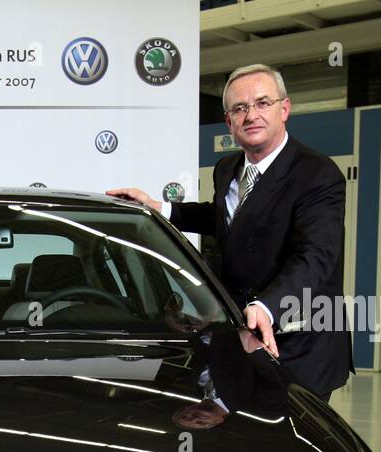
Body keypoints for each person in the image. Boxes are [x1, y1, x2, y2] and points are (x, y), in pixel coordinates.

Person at [109, 63, 352, 401]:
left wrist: (267, 307)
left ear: (284, 108)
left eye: (262, 103)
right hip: (238, 339)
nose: (251, 115)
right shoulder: (227, 169)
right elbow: (226, 219)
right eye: (239, 108)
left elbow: (316, 256)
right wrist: (159, 207)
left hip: (297, 343)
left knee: (284, 430)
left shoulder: (317, 174)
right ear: (229, 121)